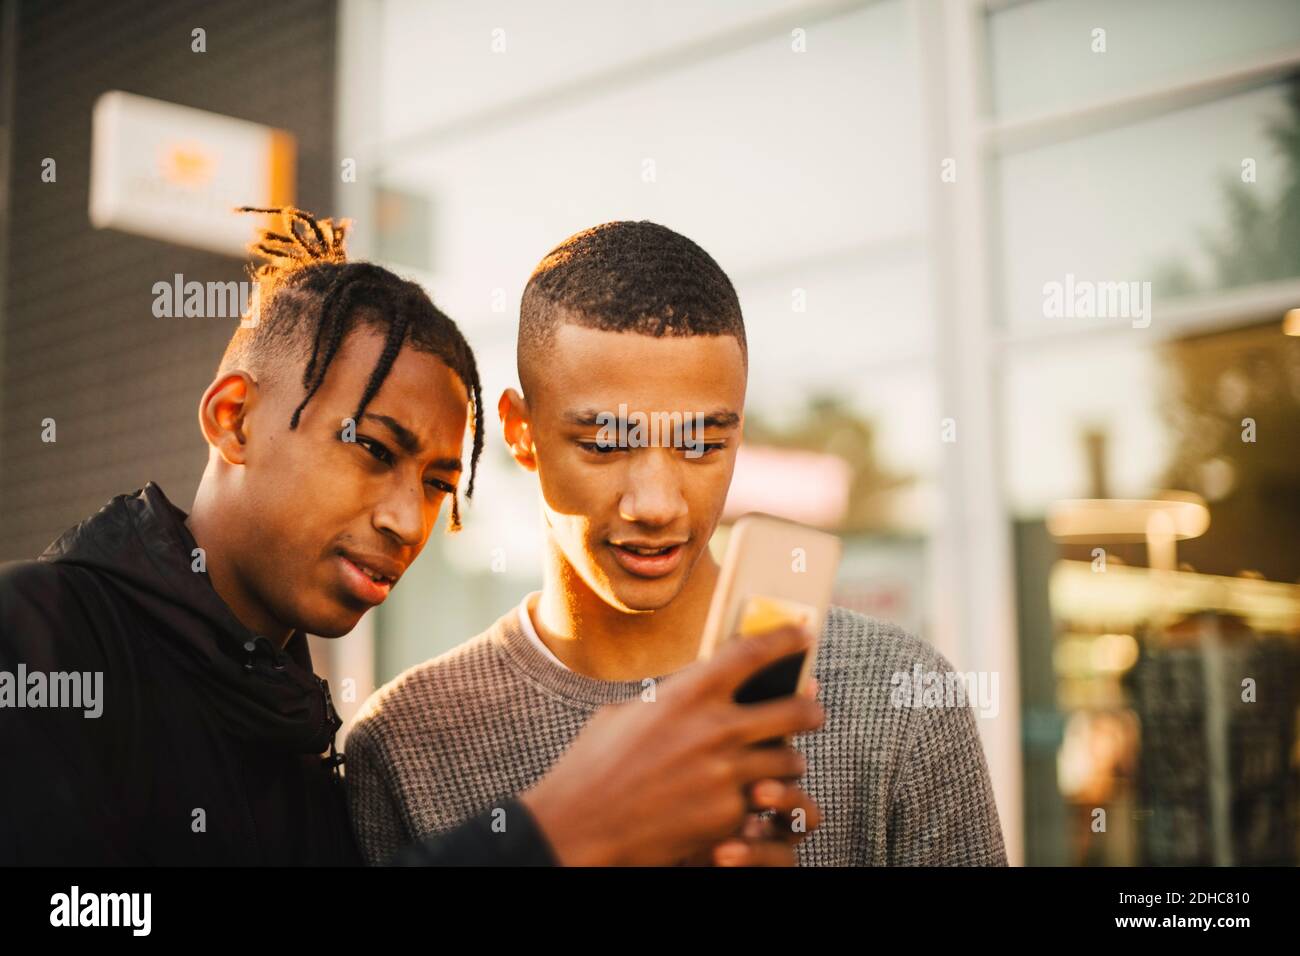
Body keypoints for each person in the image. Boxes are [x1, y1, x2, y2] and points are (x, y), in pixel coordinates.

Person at [0, 208, 823, 866]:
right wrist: (552, 837)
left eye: (436, 483)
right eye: (373, 449)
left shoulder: (304, 742)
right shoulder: (38, 640)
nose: (406, 521)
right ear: (234, 418)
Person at [347, 220, 1008, 866]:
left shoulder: (897, 697)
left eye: (701, 444)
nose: (657, 505)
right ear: (522, 434)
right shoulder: (408, 742)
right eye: (606, 442)